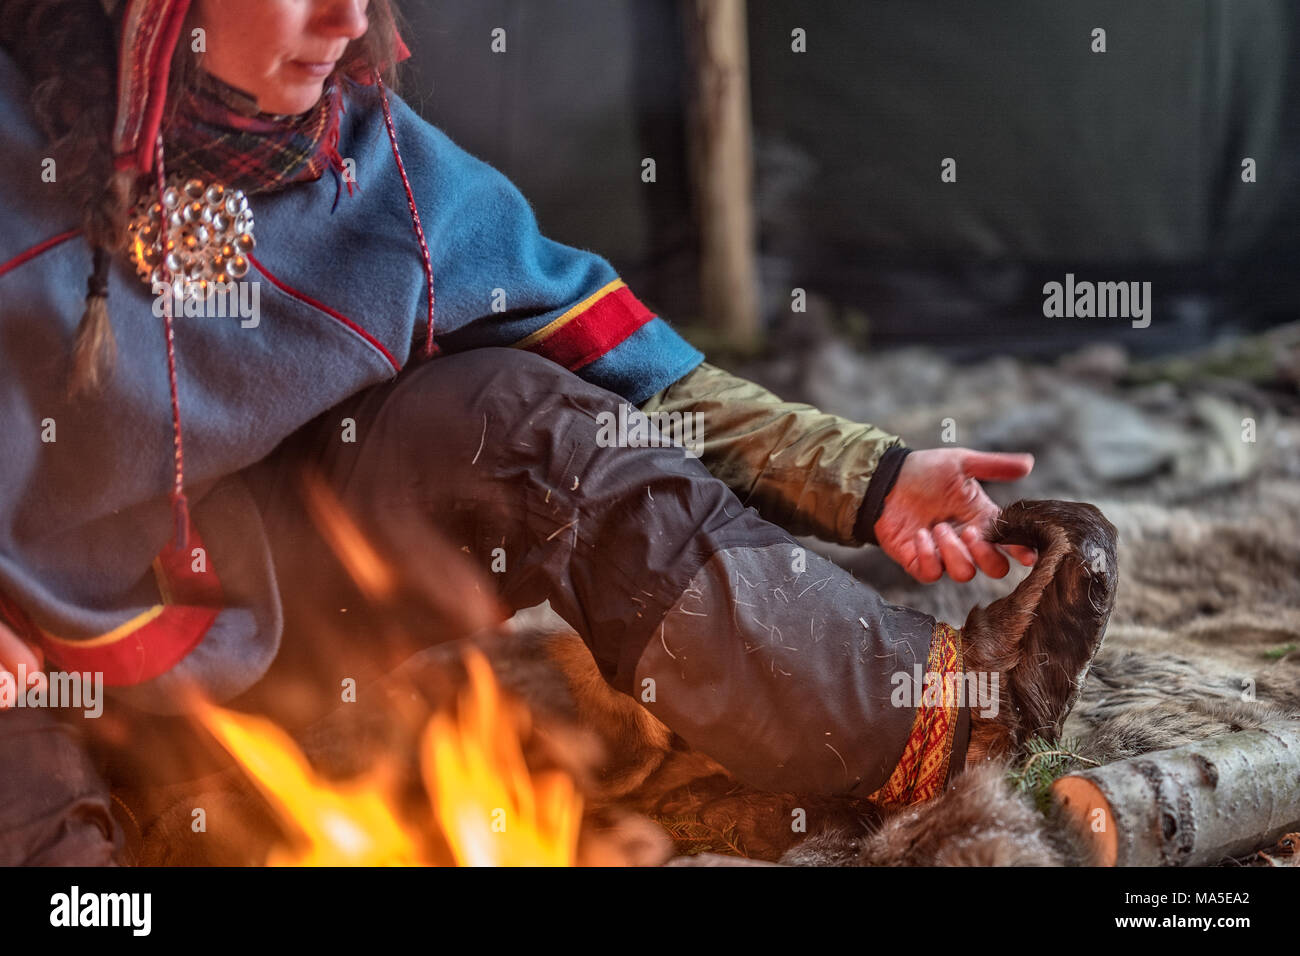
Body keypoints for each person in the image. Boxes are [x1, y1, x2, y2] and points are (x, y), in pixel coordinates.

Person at [0, 0, 1040, 866]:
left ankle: (920, 718)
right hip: (28, 682)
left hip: (264, 631)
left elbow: (631, 362)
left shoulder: (383, 170)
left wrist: (874, 474)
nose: (347, 19)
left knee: (511, 416)